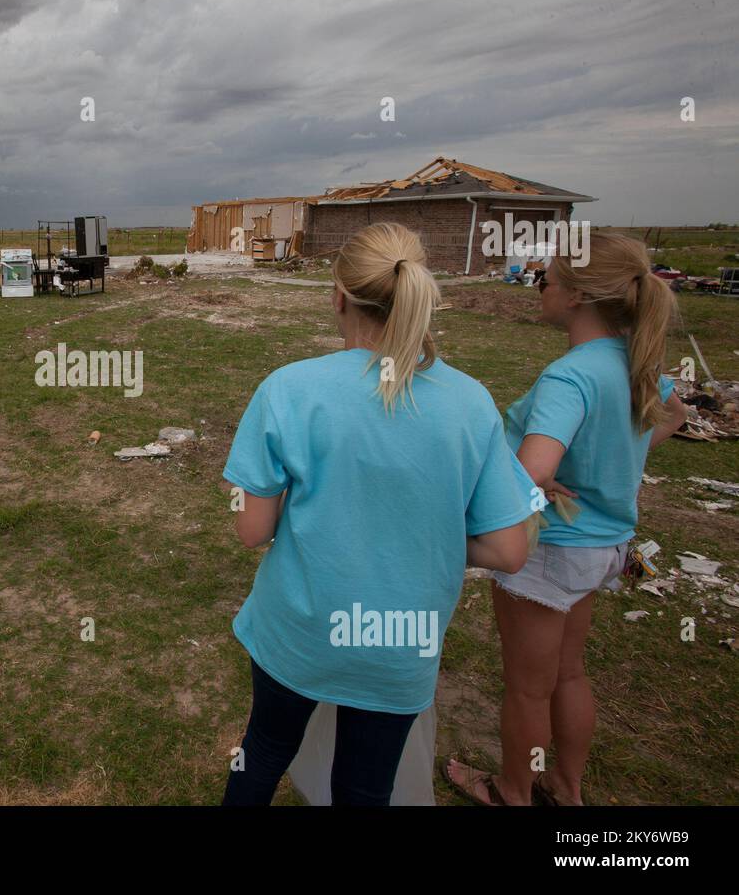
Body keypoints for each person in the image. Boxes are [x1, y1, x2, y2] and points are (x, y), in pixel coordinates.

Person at [220, 222, 534, 806]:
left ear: (338, 297)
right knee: (366, 788)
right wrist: (422, 531)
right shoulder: (471, 402)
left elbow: (251, 530)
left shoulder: (288, 390)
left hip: (300, 633)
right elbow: (510, 550)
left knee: (260, 753)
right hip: (401, 647)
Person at [446, 232, 688, 806]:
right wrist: (614, 462)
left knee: (528, 691)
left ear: (577, 295)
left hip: (553, 550)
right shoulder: (638, 359)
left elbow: (532, 471)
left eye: (545, 279)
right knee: (570, 674)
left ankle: (512, 791)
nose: (538, 289)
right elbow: (674, 414)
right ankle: (566, 787)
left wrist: (520, 480)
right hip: (605, 546)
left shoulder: (569, 377)